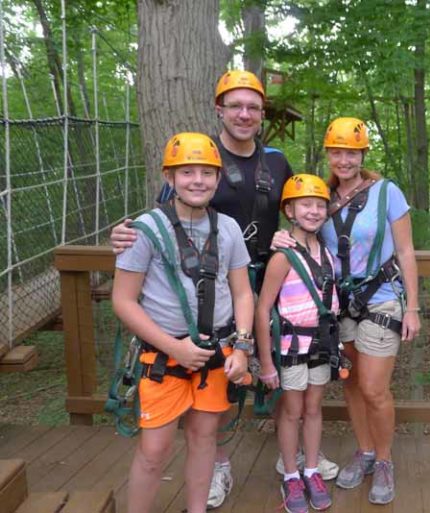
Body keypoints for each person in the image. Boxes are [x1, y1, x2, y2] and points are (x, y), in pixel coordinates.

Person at [110, 70, 338, 509]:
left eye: (253, 106)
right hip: (196, 291)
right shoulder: (200, 161)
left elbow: (301, 209)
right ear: (220, 110)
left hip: (259, 283)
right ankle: (220, 465)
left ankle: (293, 459)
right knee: (167, 437)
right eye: (235, 105)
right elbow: (159, 229)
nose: (245, 114)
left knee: (253, 375)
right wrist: (120, 235)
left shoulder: (275, 161)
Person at [273, 117, 421, 505]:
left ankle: (385, 460)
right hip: (337, 303)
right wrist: (282, 238)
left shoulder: (387, 193)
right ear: (329, 154)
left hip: (382, 296)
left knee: (374, 387)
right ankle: (365, 450)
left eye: (351, 152)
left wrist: (413, 307)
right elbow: (304, 229)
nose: (344, 159)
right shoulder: (321, 196)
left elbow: (406, 251)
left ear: (362, 154)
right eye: (336, 152)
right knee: (352, 382)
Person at [112, 132, 254, 513]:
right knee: (154, 448)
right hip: (164, 355)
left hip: (216, 354)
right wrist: (174, 347)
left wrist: (242, 346)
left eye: (207, 172)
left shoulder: (227, 229)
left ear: (218, 179)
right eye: (186, 172)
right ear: (169, 177)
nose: (197, 180)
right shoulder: (146, 231)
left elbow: (242, 292)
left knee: (204, 437)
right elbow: (124, 301)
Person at [257, 174, 340, 513]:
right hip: (292, 348)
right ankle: (291, 474)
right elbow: (263, 309)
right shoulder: (283, 256)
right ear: (289, 210)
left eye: (320, 205)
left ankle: (311, 469)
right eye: (306, 204)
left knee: (313, 409)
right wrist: (265, 363)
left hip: (321, 345)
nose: (314, 211)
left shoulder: (327, 253)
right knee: (291, 412)